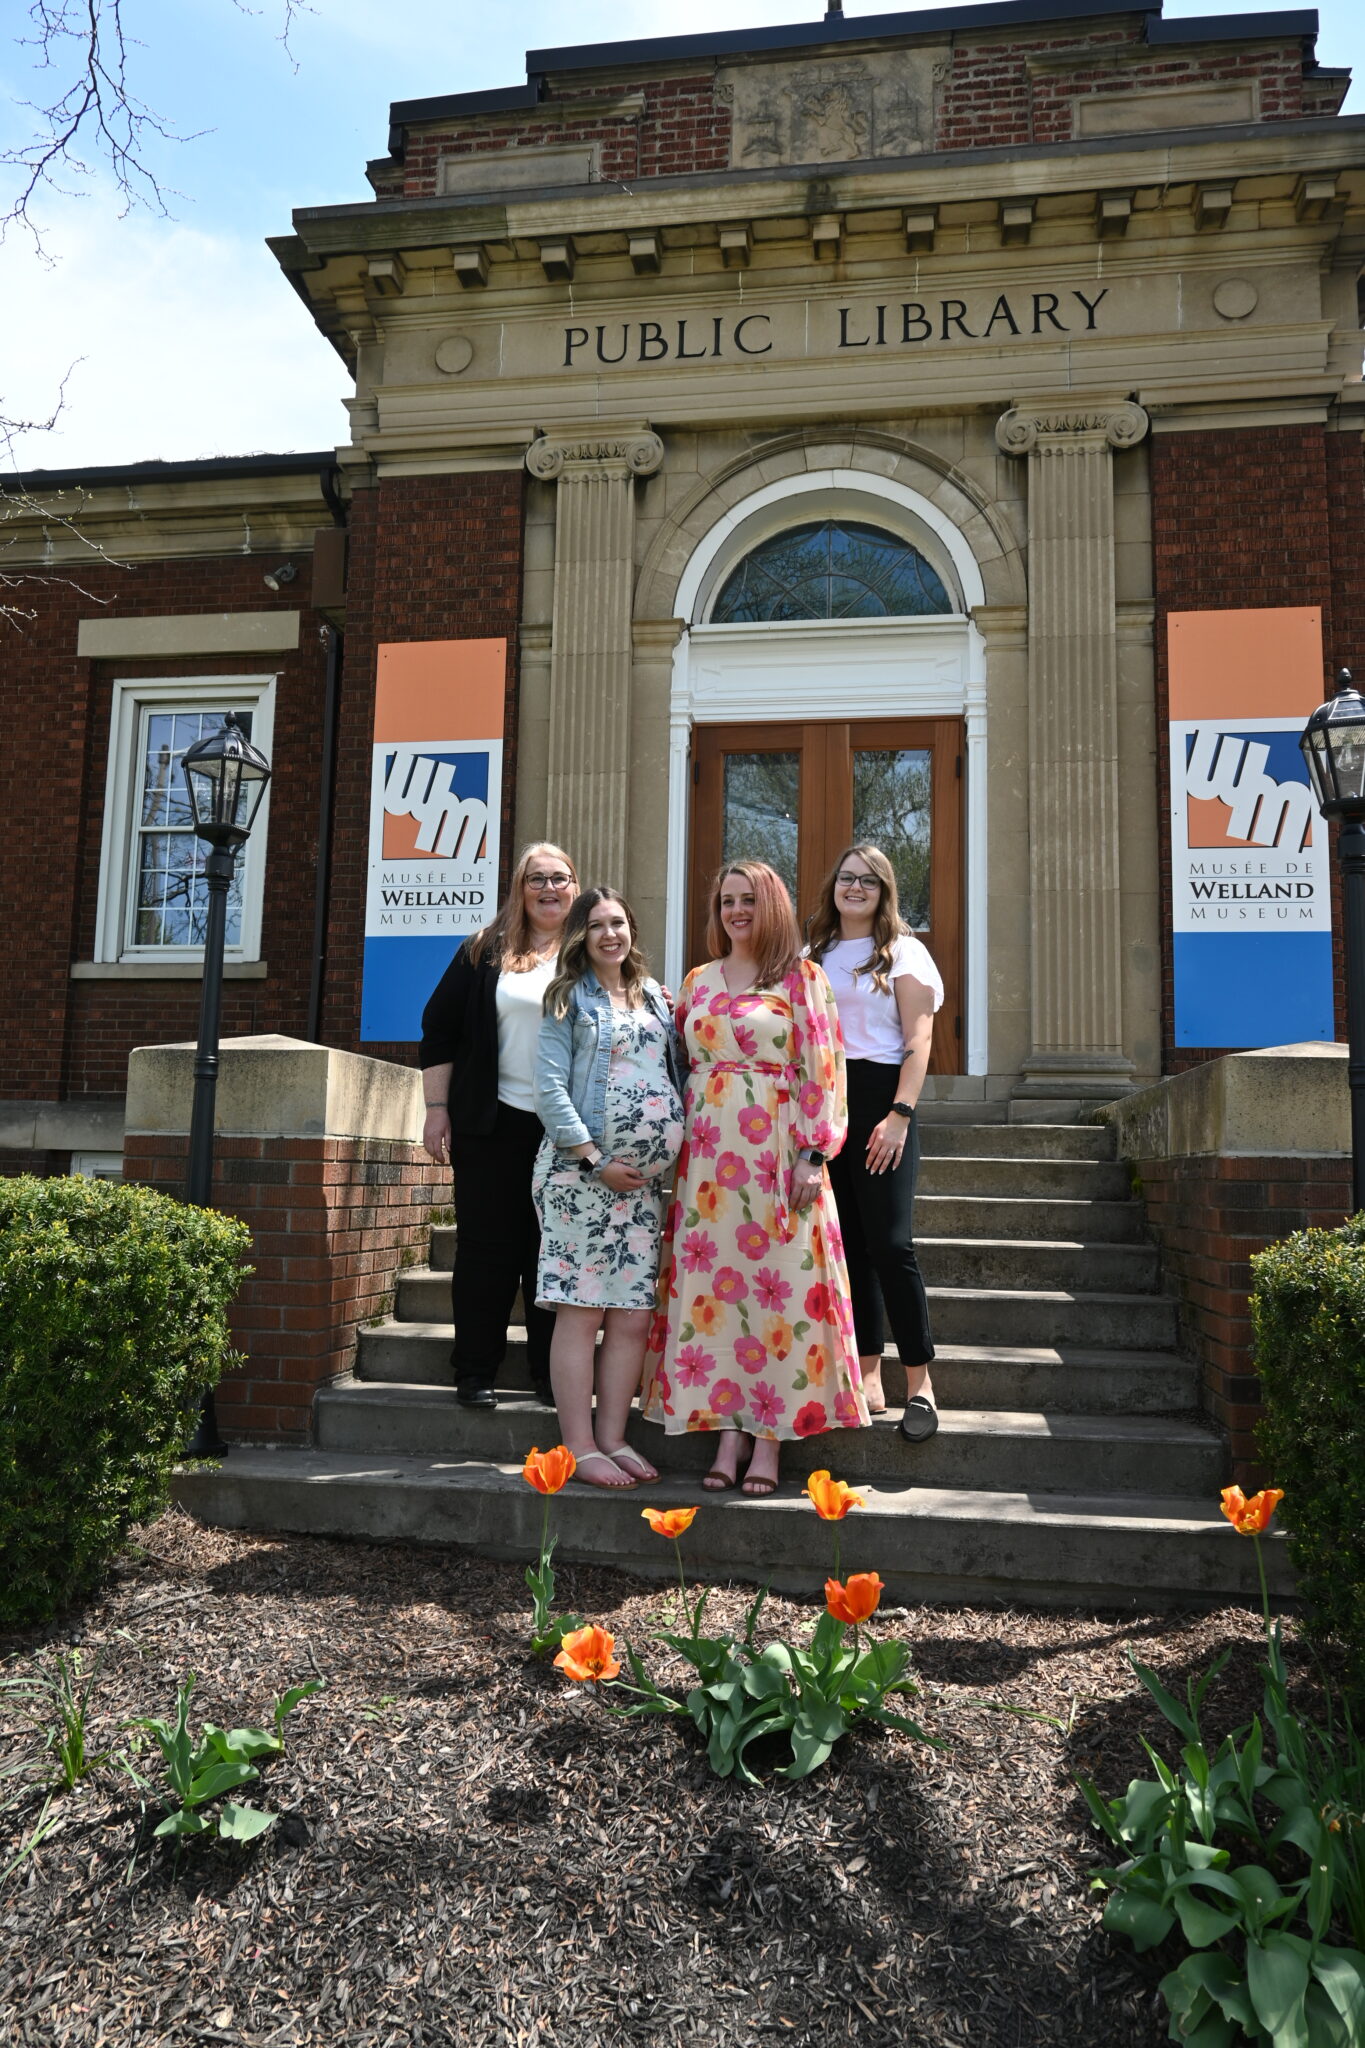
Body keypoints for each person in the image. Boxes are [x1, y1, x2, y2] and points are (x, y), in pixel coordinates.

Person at [641, 860, 869, 1495]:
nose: (735, 911)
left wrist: (814, 1154)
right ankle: (726, 1434)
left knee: (779, 1295)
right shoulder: (696, 980)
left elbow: (824, 1070)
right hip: (708, 1168)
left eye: (747, 900)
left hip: (776, 1157)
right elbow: (676, 1062)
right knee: (718, 1298)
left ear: (772, 906)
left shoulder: (802, 979)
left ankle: (768, 1443)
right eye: (725, 901)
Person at [532, 888, 686, 1489]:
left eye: (618, 922)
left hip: (642, 1191)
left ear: (632, 929)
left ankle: (614, 1437)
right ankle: (579, 1445)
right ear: (579, 935)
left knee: (629, 1316)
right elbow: (549, 1090)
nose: (609, 934)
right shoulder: (567, 998)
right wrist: (595, 1159)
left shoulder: (656, 997)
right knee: (582, 1310)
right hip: (582, 1178)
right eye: (595, 925)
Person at [418, 843, 578, 1409]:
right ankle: (475, 1370)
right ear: (519, 888)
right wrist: (437, 1109)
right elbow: (437, 1029)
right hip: (490, 1123)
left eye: (560, 877)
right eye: (537, 878)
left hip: (565, 1134)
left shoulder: (591, 953)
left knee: (549, 1252)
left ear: (575, 887)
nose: (549, 887)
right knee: (486, 1251)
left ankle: (548, 1374)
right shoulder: (484, 950)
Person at [807, 843, 943, 1439]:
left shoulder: (905, 952)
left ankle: (921, 1383)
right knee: (849, 1245)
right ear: (832, 886)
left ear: (885, 889)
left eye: (867, 880)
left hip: (883, 1098)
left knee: (891, 1244)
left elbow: (918, 1038)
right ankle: (867, 1373)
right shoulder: (811, 953)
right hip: (825, 1102)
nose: (854, 888)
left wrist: (900, 1114)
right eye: (845, 878)